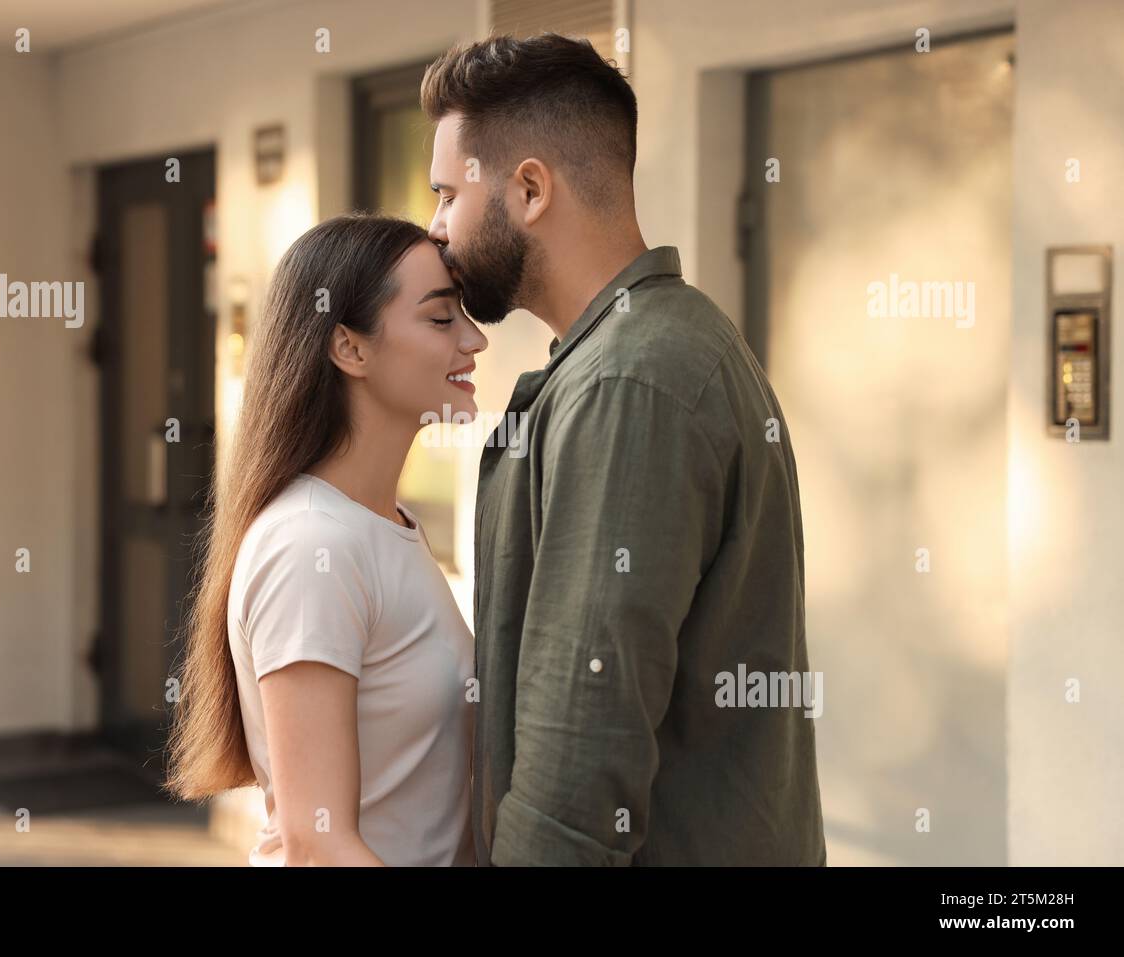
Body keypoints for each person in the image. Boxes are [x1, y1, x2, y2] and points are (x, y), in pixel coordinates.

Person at [422, 33, 827, 865]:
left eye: (445, 196)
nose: (436, 231)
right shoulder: (647, 351)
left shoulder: (628, 383)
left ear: (529, 188)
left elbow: (580, 745)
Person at [165, 213, 487, 866]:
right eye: (441, 318)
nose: (475, 340)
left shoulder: (379, 526)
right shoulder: (314, 546)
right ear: (350, 347)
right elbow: (318, 846)